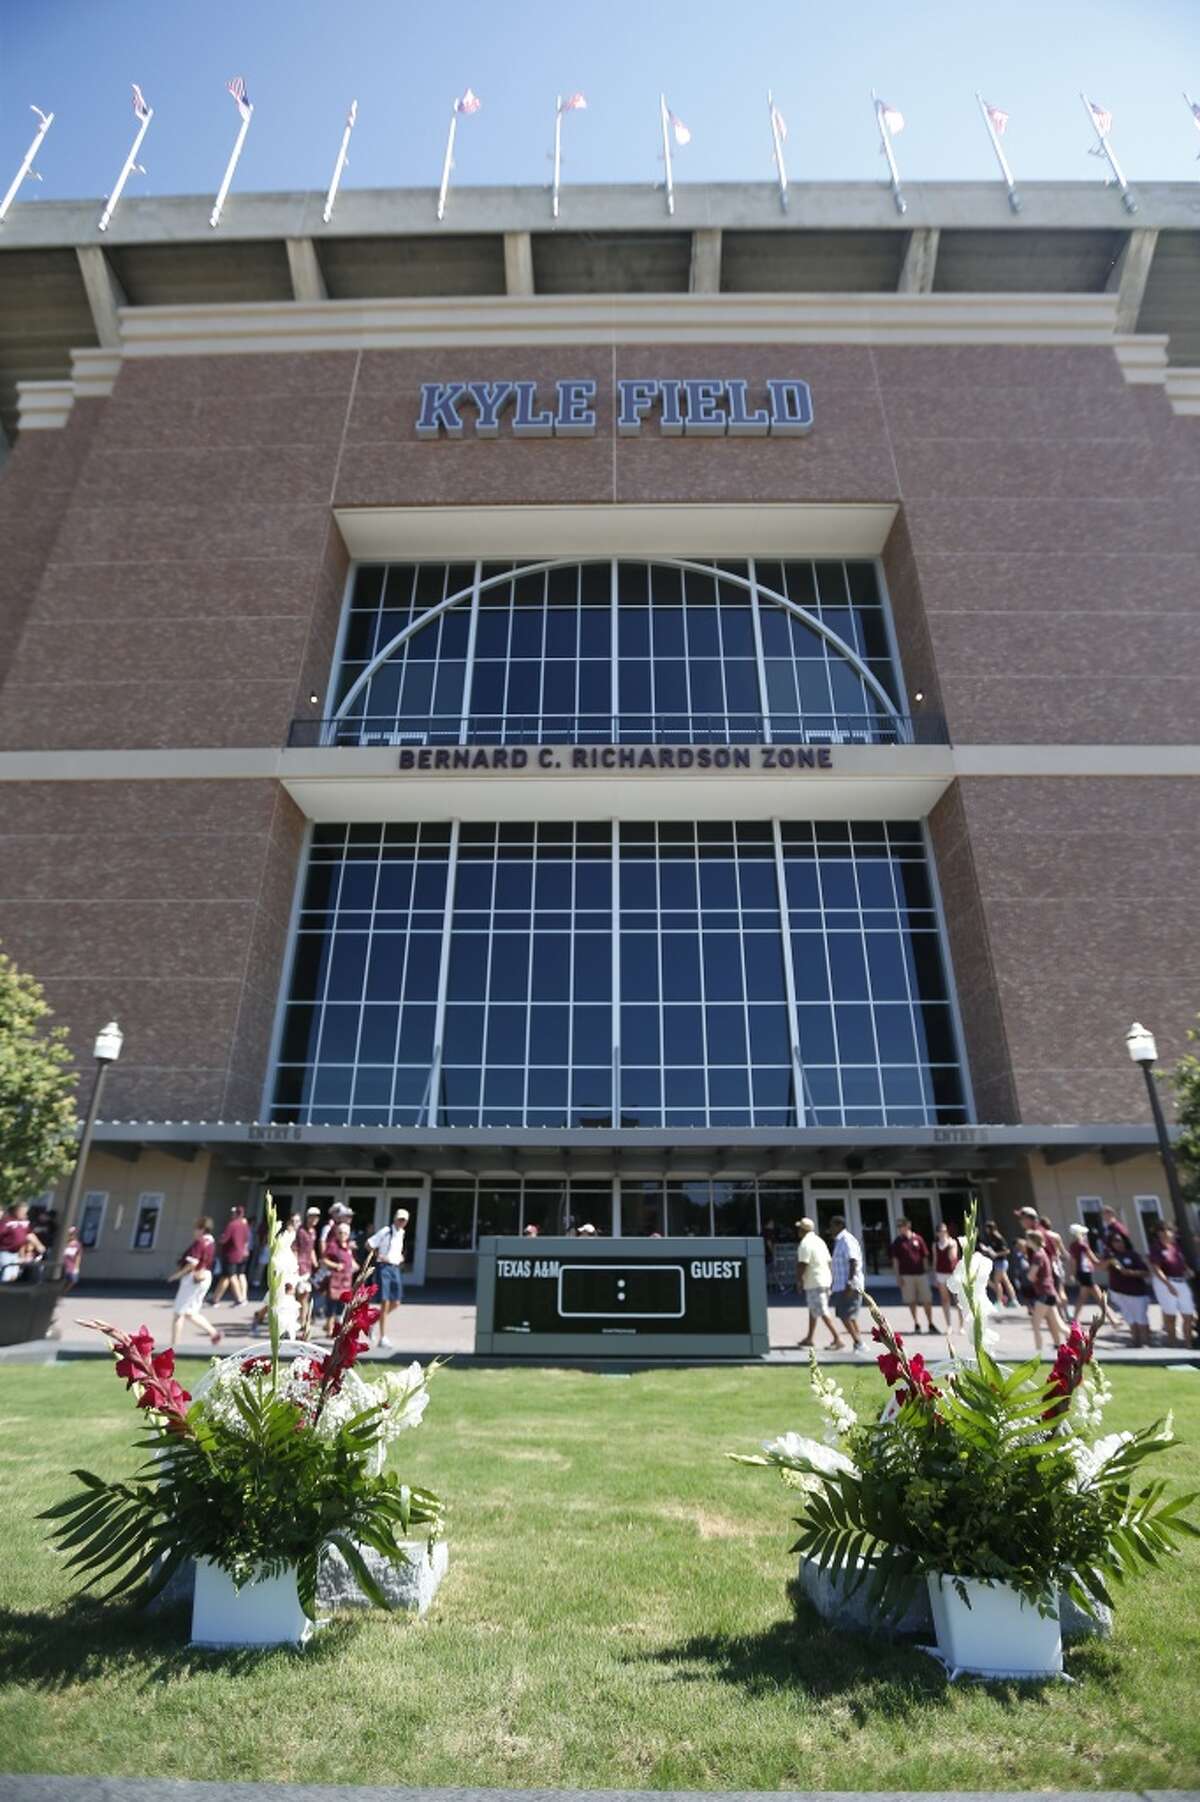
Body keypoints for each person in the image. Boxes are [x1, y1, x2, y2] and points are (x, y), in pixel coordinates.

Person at [1098, 1206, 1153, 1349]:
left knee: (1140, 1317)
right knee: (1130, 1317)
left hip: (1136, 1291)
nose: (1117, 1242)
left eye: (1119, 1240)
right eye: (1115, 1241)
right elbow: (1099, 1266)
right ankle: (1135, 1342)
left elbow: (1145, 1271)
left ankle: (1146, 1342)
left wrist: (1130, 1272)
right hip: (1119, 1289)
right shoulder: (1110, 1255)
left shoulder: (1131, 1252)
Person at [170, 1216, 222, 1349]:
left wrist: (177, 1275)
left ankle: (174, 1347)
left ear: (202, 1229)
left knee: (178, 1313)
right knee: (190, 1312)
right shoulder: (211, 1242)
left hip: (193, 1278)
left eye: (197, 1228)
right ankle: (214, 1333)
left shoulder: (200, 1242)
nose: (194, 1231)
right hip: (206, 1276)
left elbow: (193, 1263)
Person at [795, 1217, 844, 1351]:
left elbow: (802, 1264)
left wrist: (799, 1280)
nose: (797, 1231)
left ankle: (837, 1338)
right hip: (825, 1280)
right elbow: (829, 1261)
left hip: (814, 1282)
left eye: (799, 1228)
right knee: (813, 1309)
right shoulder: (819, 1241)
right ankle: (809, 1338)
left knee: (822, 1310)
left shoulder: (805, 1243)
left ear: (802, 1230)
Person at [366, 1207, 409, 1349]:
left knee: (396, 1302)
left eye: (404, 1220)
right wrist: (378, 1255)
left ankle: (372, 1323)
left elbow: (397, 1249)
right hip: (384, 1267)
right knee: (385, 1302)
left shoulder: (401, 1233)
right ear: (395, 1219)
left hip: (395, 1268)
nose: (401, 1222)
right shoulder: (385, 1231)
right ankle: (383, 1338)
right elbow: (369, 1244)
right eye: (400, 1219)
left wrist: (399, 1257)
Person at [1148, 1223, 1195, 1348]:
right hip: (1165, 1283)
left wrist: (1187, 1270)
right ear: (1158, 1233)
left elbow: (1181, 1263)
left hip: (1181, 1281)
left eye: (1168, 1230)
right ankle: (1172, 1344)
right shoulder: (1156, 1248)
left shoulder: (1176, 1247)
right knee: (1171, 1315)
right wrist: (1169, 1285)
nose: (1165, 1233)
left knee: (1188, 1314)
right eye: (1162, 1230)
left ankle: (1188, 1344)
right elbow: (1156, 1269)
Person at [1022, 1228, 1066, 1353]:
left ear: (1032, 1241)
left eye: (1027, 1239)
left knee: (1035, 1325)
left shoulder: (1037, 1255)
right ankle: (1076, 1344)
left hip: (1044, 1294)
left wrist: (1031, 1275)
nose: (1026, 1242)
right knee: (1059, 1325)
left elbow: (1031, 1275)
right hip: (1049, 1292)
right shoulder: (1042, 1252)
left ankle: (1038, 1352)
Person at [890, 1217, 935, 1334]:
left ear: (908, 1225)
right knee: (911, 1301)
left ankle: (930, 1323)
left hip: (921, 1275)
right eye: (899, 1227)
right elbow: (895, 1261)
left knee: (927, 1300)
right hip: (906, 1276)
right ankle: (916, 1323)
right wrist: (898, 1277)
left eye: (902, 1226)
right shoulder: (897, 1242)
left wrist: (927, 1272)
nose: (900, 1229)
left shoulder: (918, 1239)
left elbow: (925, 1256)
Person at [828, 1215, 865, 1351]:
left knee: (845, 1315)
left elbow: (853, 1261)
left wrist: (849, 1283)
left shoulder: (846, 1240)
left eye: (832, 1226)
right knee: (849, 1316)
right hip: (841, 1286)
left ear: (839, 1226)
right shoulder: (839, 1241)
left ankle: (859, 1343)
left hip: (848, 1286)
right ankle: (858, 1343)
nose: (830, 1229)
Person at [320, 1220, 358, 1335]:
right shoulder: (332, 1245)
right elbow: (324, 1260)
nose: (343, 1235)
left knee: (341, 1305)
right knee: (331, 1304)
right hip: (334, 1280)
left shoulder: (348, 1247)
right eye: (340, 1232)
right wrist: (336, 1265)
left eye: (345, 1233)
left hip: (346, 1281)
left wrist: (355, 1265)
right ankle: (330, 1328)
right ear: (337, 1233)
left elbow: (351, 1260)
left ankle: (333, 1327)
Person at [211, 1205, 251, 1307]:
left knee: (231, 1275)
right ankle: (216, 1298)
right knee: (237, 1275)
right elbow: (246, 1239)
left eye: (233, 1212)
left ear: (236, 1213)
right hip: (243, 1254)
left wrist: (220, 1240)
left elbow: (224, 1239)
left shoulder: (232, 1224)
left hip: (231, 1254)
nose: (231, 1214)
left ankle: (240, 1299)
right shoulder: (245, 1225)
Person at [932, 1221, 965, 1333]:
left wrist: (950, 1248)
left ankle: (961, 1326)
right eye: (941, 1231)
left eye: (945, 1231)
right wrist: (935, 1276)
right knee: (945, 1300)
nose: (943, 1233)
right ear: (937, 1233)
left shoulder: (953, 1242)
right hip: (941, 1274)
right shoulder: (935, 1245)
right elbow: (935, 1260)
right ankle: (949, 1325)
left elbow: (953, 1257)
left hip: (953, 1274)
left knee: (958, 1300)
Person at [1066, 1223, 1105, 1320]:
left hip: (1081, 1273)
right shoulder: (1083, 1246)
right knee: (1099, 1297)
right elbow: (1094, 1260)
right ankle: (1112, 1319)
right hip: (1086, 1273)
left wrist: (1073, 1274)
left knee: (1084, 1297)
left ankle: (1075, 1318)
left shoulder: (1073, 1245)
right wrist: (1107, 1263)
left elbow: (1073, 1261)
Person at [294, 1205, 321, 1337]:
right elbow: (295, 1248)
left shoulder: (313, 1231)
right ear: (308, 1217)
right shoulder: (301, 1231)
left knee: (304, 1295)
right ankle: (302, 1321)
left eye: (317, 1216)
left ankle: (303, 1321)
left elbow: (312, 1249)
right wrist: (295, 1266)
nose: (315, 1219)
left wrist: (315, 1262)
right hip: (300, 1266)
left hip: (308, 1267)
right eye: (313, 1216)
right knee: (302, 1295)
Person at [0, 1205, 44, 1281]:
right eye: (22, 1211)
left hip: (15, 1253)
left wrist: (38, 1245)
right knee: (5, 1276)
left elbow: (29, 1234)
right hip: (4, 1253)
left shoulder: (23, 1223)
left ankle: (8, 1291)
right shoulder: (6, 1222)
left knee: (13, 1275)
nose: (25, 1214)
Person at [980, 1220, 1017, 1307]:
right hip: (998, 1262)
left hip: (1001, 1262)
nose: (986, 1230)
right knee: (1006, 1282)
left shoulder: (998, 1237)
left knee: (997, 1282)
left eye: (987, 1228)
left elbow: (1007, 1251)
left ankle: (999, 1302)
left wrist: (996, 1254)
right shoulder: (991, 1238)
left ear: (990, 1228)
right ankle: (1014, 1300)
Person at [61, 1227, 83, 1294]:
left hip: (71, 1265)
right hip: (64, 1265)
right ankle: (59, 1293)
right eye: (70, 1234)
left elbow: (78, 1256)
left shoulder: (77, 1245)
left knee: (73, 1280)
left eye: (73, 1234)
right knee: (63, 1280)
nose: (71, 1235)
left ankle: (63, 1292)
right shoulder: (65, 1243)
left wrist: (76, 1267)